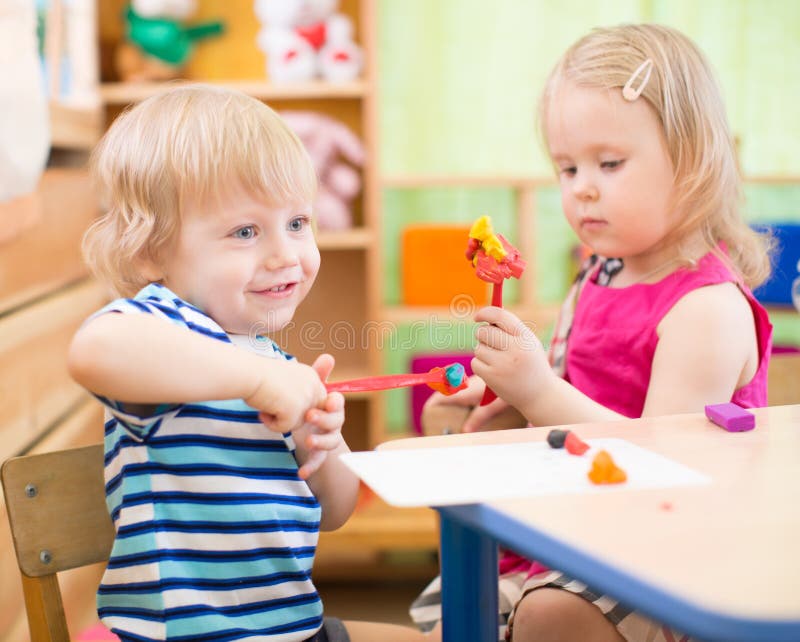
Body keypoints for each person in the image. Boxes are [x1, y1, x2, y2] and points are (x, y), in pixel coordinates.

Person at [412, 23, 773, 642]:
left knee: (548, 615)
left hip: (671, 547)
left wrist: (536, 390)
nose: (581, 187)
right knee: (456, 601)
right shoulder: (598, 274)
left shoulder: (706, 307)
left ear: (691, 162)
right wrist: (504, 404)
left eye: (609, 163)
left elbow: (661, 467)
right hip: (577, 523)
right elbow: (567, 395)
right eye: (566, 166)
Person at [68, 85, 426, 642]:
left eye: (298, 223)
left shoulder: (270, 358)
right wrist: (258, 379)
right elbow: (93, 349)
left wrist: (321, 443)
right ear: (151, 251)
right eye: (244, 231)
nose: (286, 254)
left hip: (289, 629)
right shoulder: (165, 330)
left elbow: (335, 512)